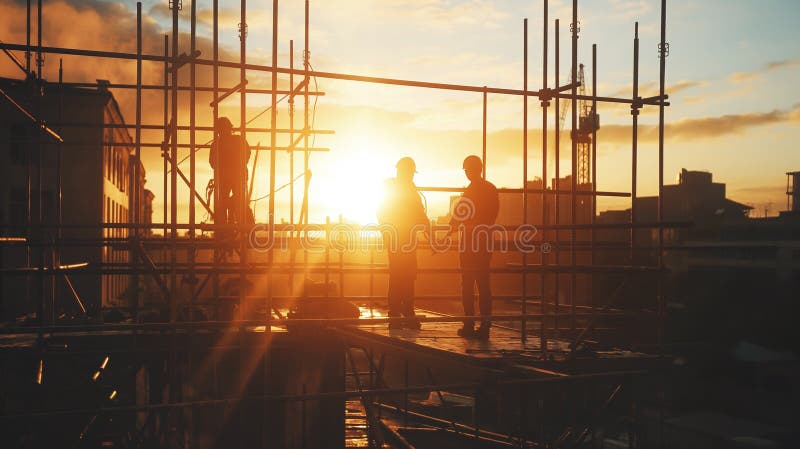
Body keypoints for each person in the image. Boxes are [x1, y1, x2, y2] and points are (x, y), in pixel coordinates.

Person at [450, 155, 499, 340]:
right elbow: (491, 215)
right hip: (484, 241)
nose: (466, 173)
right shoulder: (490, 189)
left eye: (467, 169)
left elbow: (460, 214)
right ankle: (484, 325)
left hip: (471, 243)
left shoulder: (471, 190)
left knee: (468, 284)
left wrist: (452, 227)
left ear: (472, 169)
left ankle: (470, 324)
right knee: (483, 284)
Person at [377, 157, 429, 330]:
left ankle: (398, 313)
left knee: (401, 275)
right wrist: (427, 231)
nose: (412, 176)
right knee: (404, 275)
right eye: (411, 173)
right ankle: (402, 313)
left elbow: (382, 213)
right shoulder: (404, 189)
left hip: (400, 238)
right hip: (402, 238)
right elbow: (418, 212)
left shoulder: (393, 188)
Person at [209, 117, 252, 229]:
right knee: (238, 202)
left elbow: (212, 162)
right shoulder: (238, 140)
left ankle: (226, 230)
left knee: (226, 203)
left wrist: (224, 167)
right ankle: (245, 228)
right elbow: (247, 154)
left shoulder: (217, 144)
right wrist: (239, 165)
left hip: (228, 177)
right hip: (235, 176)